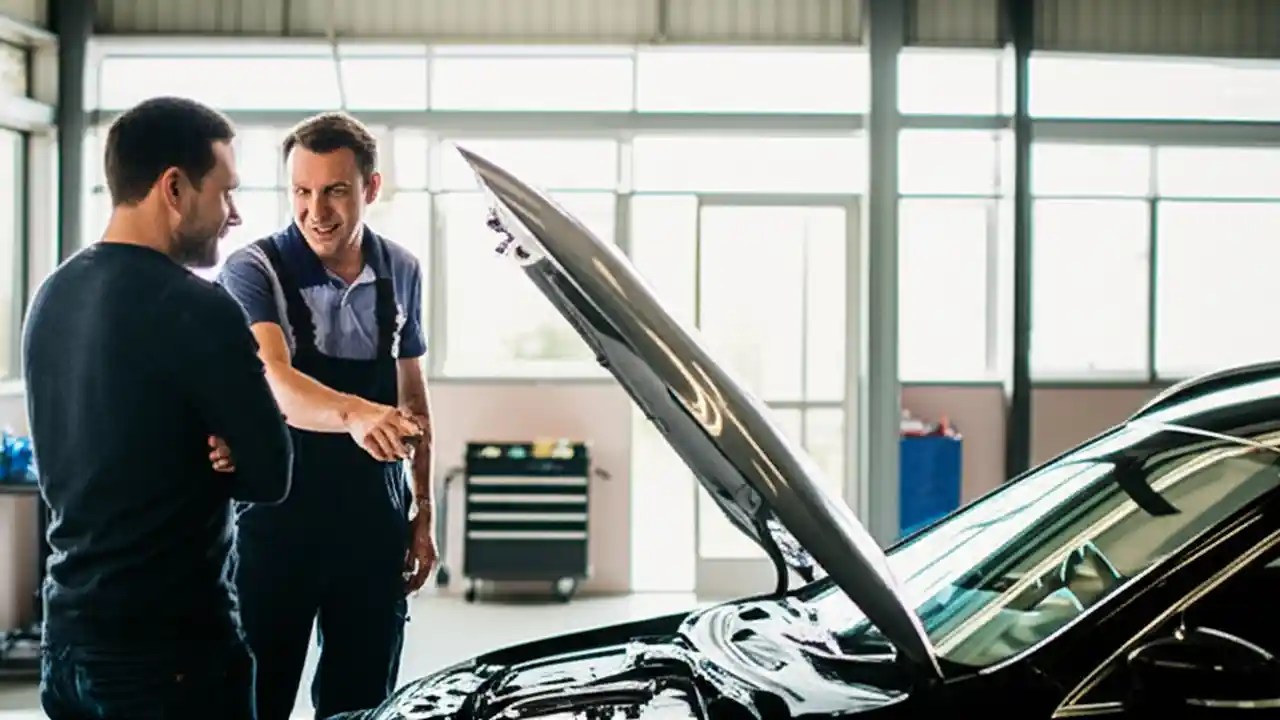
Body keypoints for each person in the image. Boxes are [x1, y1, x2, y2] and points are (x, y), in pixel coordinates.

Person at [22, 96, 294, 719]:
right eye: (225, 192)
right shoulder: (199, 308)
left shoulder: (51, 295)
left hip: (67, 643)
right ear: (174, 187)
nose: (234, 215)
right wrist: (223, 453)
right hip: (169, 656)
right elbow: (272, 472)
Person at [218, 110, 437, 719]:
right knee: (259, 698)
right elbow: (278, 383)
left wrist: (424, 511)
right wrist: (359, 414)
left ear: (370, 188)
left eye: (336, 190)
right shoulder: (253, 270)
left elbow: (414, 399)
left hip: (372, 524)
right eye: (302, 191)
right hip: (274, 528)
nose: (317, 210)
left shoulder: (403, 270)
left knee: (362, 702)